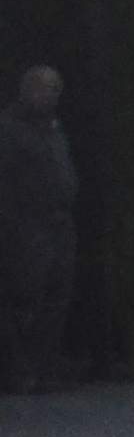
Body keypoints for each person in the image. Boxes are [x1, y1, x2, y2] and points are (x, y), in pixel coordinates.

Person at [0, 65, 71, 393]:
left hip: (60, 223)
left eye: (55, 88)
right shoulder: (10, 128)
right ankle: (18, 370)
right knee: (23, 299)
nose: (49, 94)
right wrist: (13, 223)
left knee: (56, 299)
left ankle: (45, 369)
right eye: (42, 87)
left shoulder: (54, 128)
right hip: (27, 226)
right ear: (26, 90)